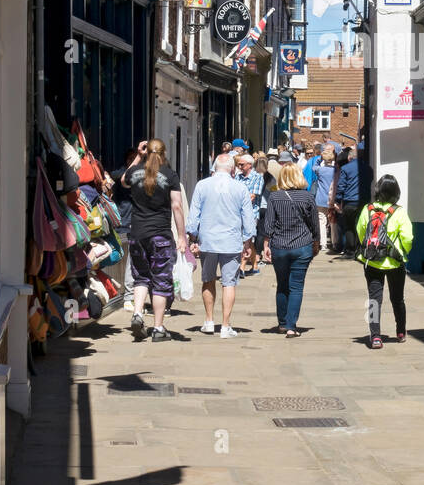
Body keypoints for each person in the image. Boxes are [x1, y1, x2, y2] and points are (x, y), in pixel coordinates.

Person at [121, 139, 185, 342]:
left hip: (137, 234)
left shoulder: (136, 171)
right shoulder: (170, 175)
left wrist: (138, 157)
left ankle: (138, 314)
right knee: (160, 281)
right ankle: (158, 328)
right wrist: (182, 236)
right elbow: (176, 206)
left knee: (141, 277)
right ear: (164, 153)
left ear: (146, 152)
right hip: (161, 236)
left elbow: (123, 180)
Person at [186, 153, 255, 338]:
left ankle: (209, 321)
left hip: (207, 241)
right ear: (233, 169)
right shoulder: (240, 188)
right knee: (229, 283)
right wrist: (248, 241)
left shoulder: (202, 185)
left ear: (214, 168)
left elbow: (194, 216)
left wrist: (192, 237)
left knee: (208, 279)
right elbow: (248, 219)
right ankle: (225, 326)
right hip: (231, 242)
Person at [260, 162, 319, 338]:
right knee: (296, 286)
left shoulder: (274, 197)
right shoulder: (307, 197)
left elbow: (268, 225)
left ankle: (282, 324)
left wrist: (266, 245)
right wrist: (316, 243)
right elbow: (315, 225)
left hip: (279, 246)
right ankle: (292, 326)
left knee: (282, 285)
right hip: (302, 246)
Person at [356, 174, 414, 349]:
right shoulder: (399, 212)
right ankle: (401, 331)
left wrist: (370, 250)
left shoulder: (368, 209)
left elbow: (360, 232)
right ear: (396, 192)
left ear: (377, 190)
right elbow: (408, 237)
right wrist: (403, 252)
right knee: (398, 299)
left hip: (372, 262)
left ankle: (375, 336)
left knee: (374, 300)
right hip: (395, 263)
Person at [110, 143, 143, 311]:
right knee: (124, 257)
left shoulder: (142, 175)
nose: (133, 161)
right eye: (130, 158)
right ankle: (124, 293)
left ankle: (130, 294)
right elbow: (116, 176)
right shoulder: (121, 173)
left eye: (135, 158)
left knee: (134, 259)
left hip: (137, 223)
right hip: (123, 221)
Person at [309, 143, 337, 253]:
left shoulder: (320, 170)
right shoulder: (336, 170)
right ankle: (335, 243)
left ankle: (323, 243)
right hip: (332, 199)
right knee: (333, 222)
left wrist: (319, 158)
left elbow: (313, 166)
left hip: (320, 199)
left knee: (321, 221)